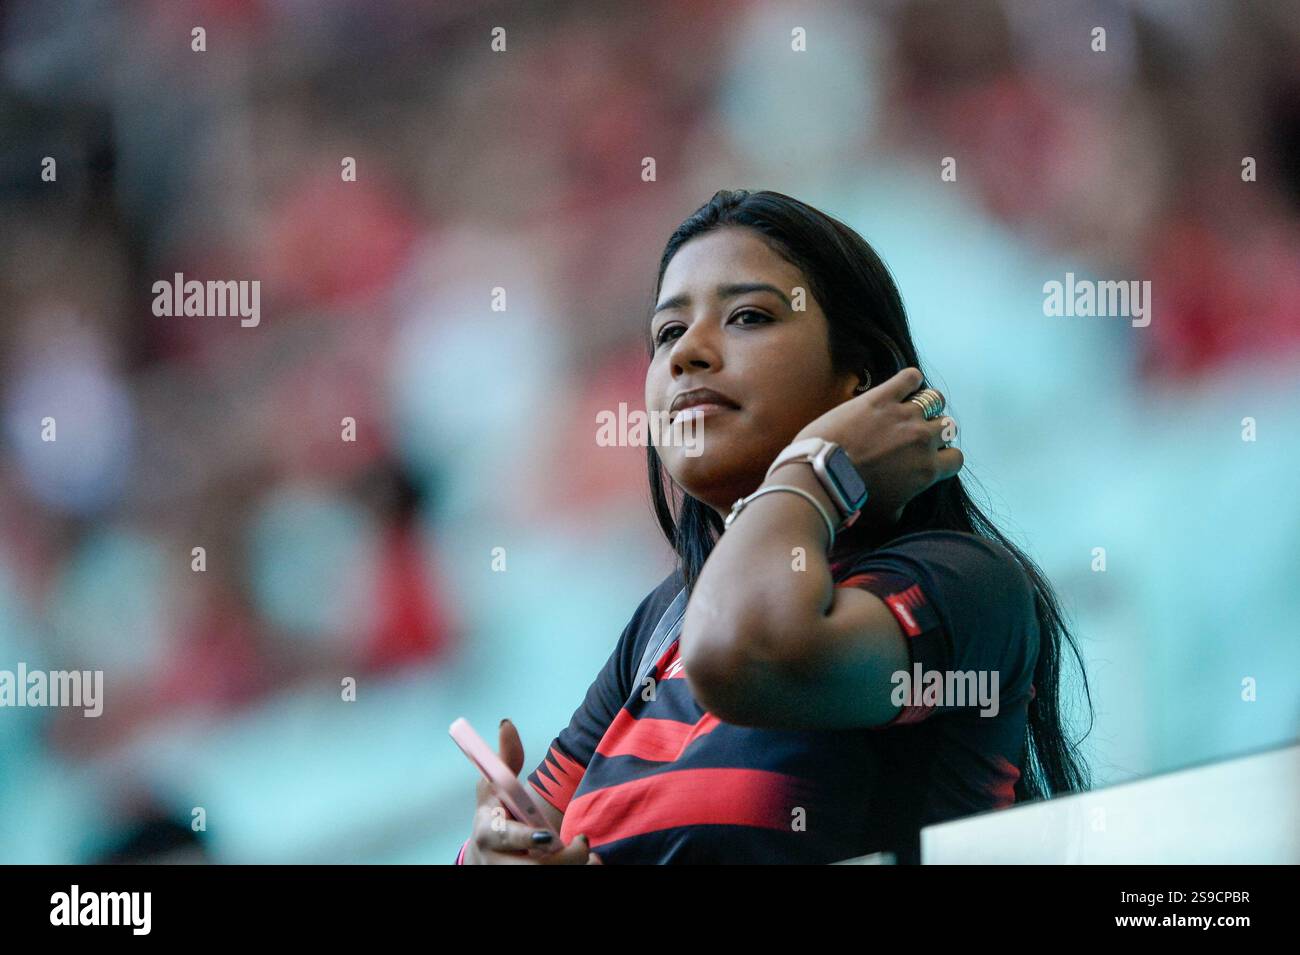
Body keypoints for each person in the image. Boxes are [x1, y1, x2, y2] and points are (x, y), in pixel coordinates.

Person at [458, 189, 1092, 865]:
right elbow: (529, 839)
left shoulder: (965, 584)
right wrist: (497, 854)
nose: (687, 355)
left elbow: (745, 652)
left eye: (749, 315)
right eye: (668, 332)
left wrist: (819, 470)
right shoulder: (657, 628)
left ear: (860, 382)